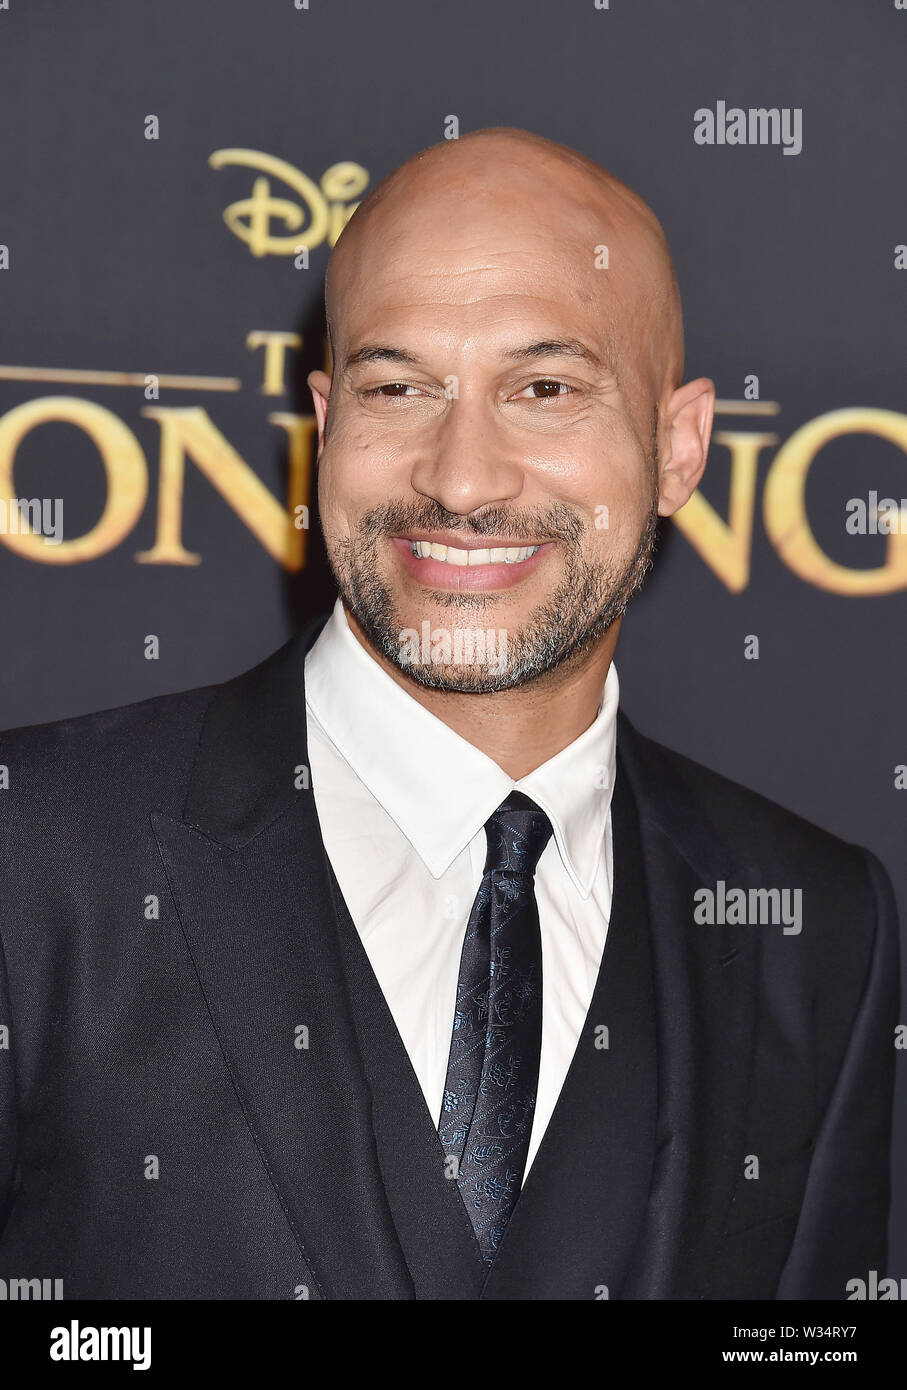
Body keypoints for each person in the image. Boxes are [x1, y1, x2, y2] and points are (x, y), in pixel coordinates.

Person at [0, 128, 897, 1300]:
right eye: (398, 386)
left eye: (544, 388)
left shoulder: (815, 927)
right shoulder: (35, 855)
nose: (462, 479)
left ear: (679, 448)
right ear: (327, 421)